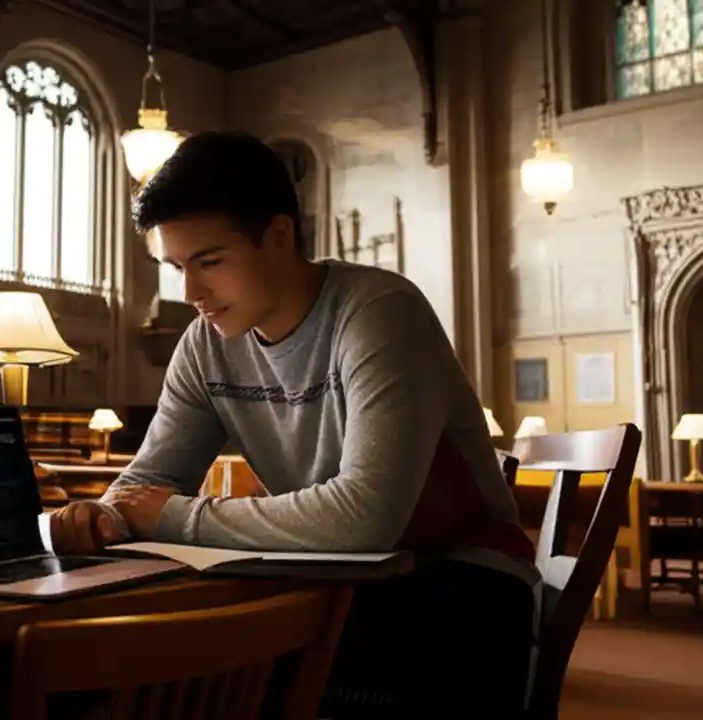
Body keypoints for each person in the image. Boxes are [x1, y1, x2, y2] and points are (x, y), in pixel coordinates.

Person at [49, 131, 537, 713]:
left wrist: (171, 516)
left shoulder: (378, 312)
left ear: (278, 237)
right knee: (137, 639)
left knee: (240, 659)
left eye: (209, 262)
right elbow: (144, 485)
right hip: (329, 573)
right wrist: (102, 517)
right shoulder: (206, 346)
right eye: (176, 266)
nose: (192, 292)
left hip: (461, 571)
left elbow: (364, 520)